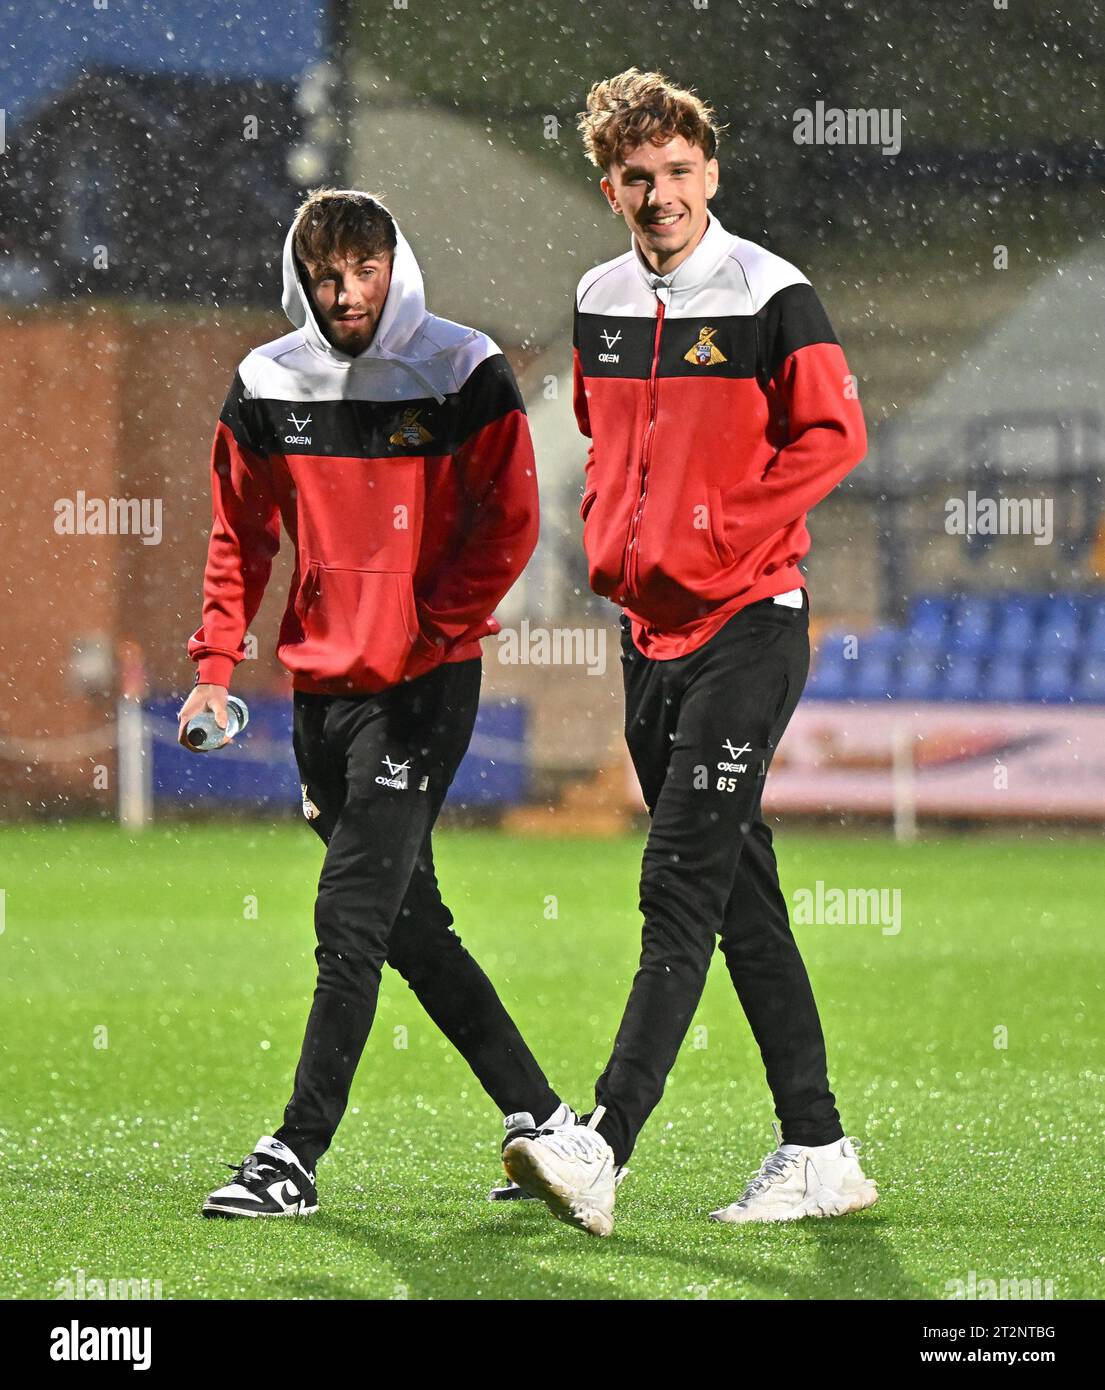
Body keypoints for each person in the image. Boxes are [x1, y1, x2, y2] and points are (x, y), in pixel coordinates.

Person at [503, 70, 877, 1236]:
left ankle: (603, 1144)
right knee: (737, 897)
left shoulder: (773, 292)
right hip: (648, 638)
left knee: (675, 884)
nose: (659, 194)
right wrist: (621, 535)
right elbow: (604, 441)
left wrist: (721, 528)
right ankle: (819, 1149)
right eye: (636, 178)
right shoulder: (599, 296)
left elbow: (834, 433)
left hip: (751, 621)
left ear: (708, 173)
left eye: (677, 172)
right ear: (607, 185)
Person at [180, 188, 571, 1218]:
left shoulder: (461, 368)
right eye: (325, 273)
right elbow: (239, 537)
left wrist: (431, 628)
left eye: (362, 268)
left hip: (423, 690)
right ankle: (545, 1121)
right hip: (321, 693)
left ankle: (290, 1156)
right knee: (410, 925)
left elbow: (512, 519)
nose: (344, 291)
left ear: (396, 265)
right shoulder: (268, 382)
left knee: (348, 915)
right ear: (300, 276)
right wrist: (215, 668)